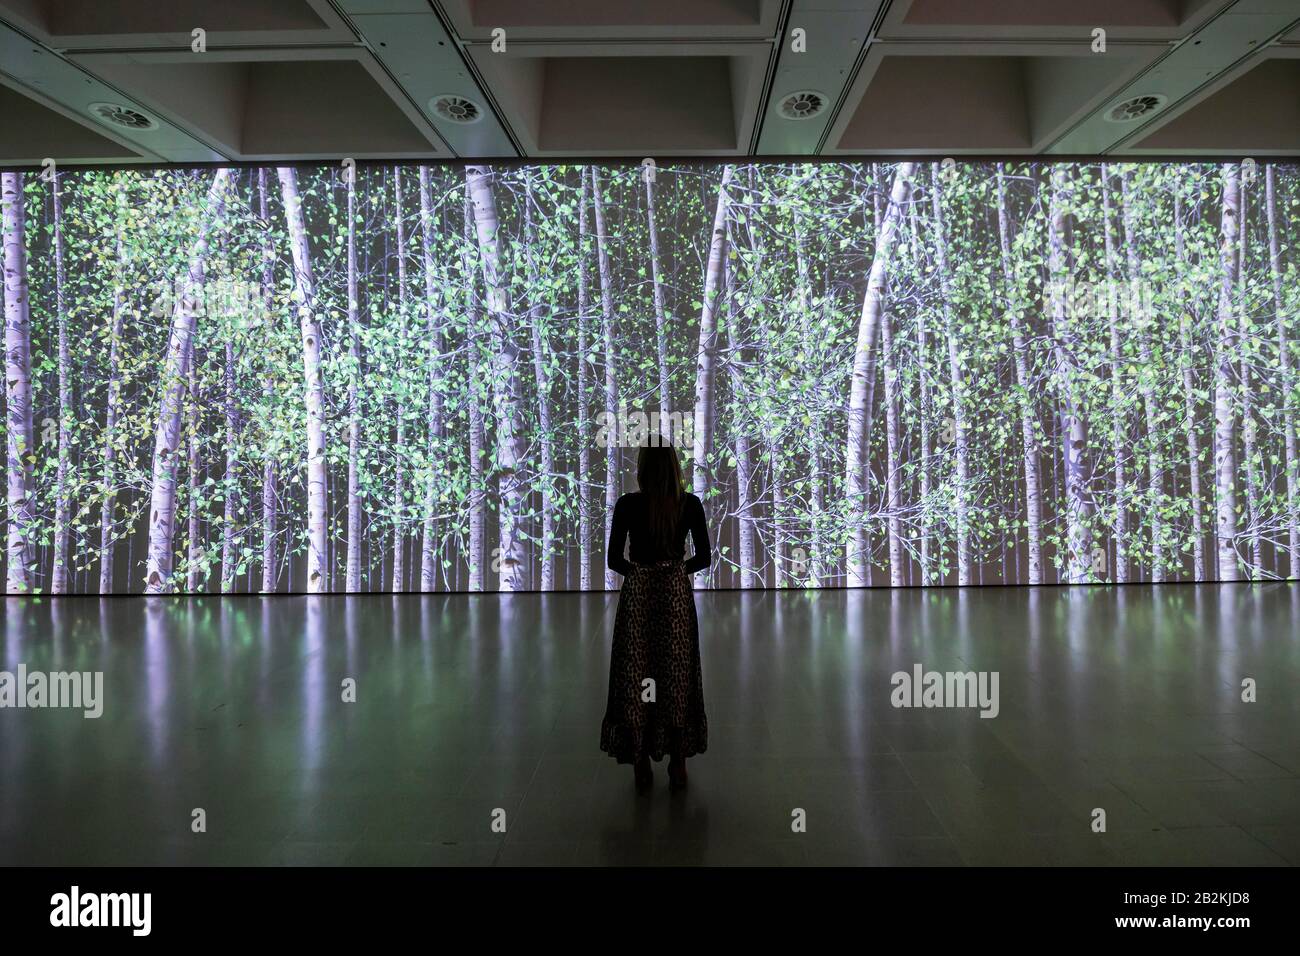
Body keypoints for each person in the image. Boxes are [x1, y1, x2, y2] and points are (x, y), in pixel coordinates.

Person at [599, 443, 710, 793]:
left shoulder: (628, 505)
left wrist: (639, 573)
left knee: (638, 676)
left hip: (639, 598)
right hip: (674, 597)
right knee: (676, 675)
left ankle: (642, 764)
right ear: (675, 468)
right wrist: (676, 571)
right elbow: (704, 557)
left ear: (643, 470)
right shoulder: (689, 504)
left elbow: (614, 559)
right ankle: (678, 762)